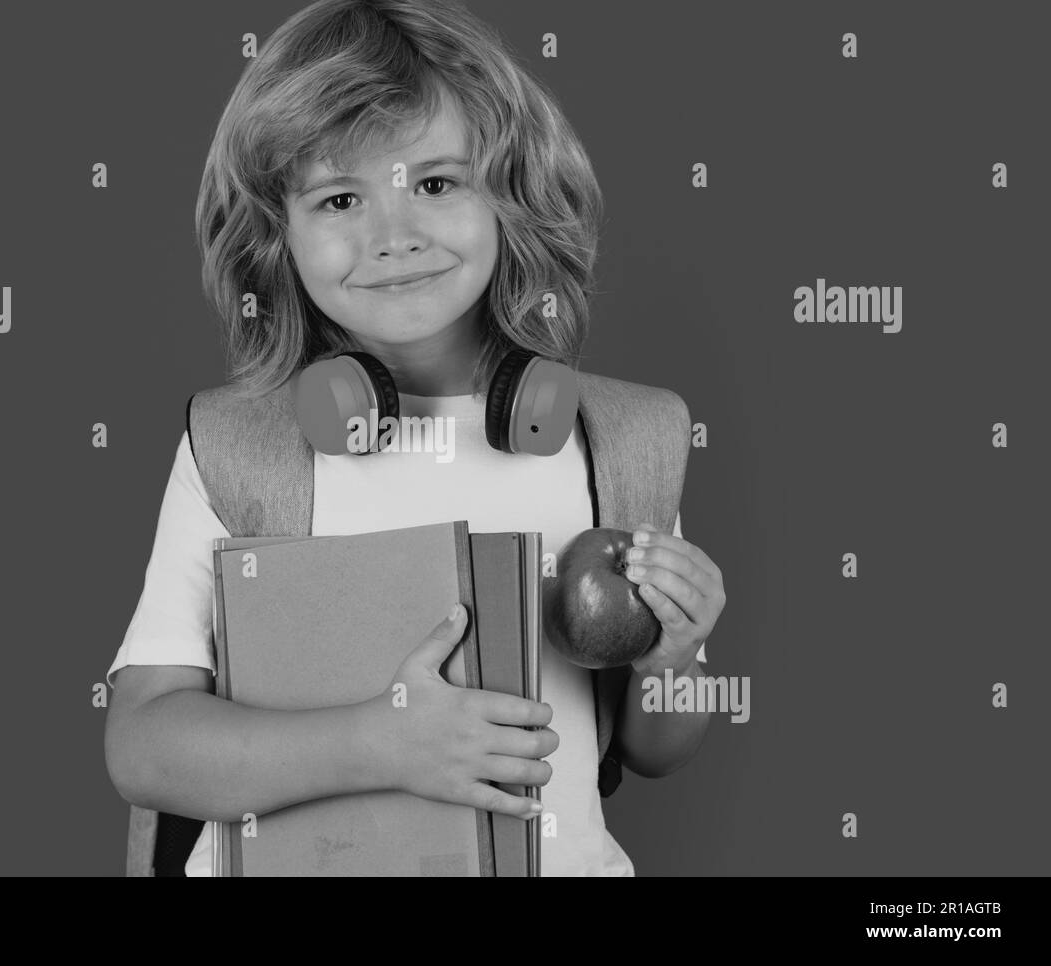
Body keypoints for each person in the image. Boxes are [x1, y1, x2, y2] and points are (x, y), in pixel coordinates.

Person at [104, 0, 726, 876]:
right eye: (340, 198)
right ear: (276, 239)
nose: (392, 237)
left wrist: (677, 651)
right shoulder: (241, 452)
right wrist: (381, 743)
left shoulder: (621, 441)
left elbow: (654, 749)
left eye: (435, 184)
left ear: (511, 198)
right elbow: (143, 746)